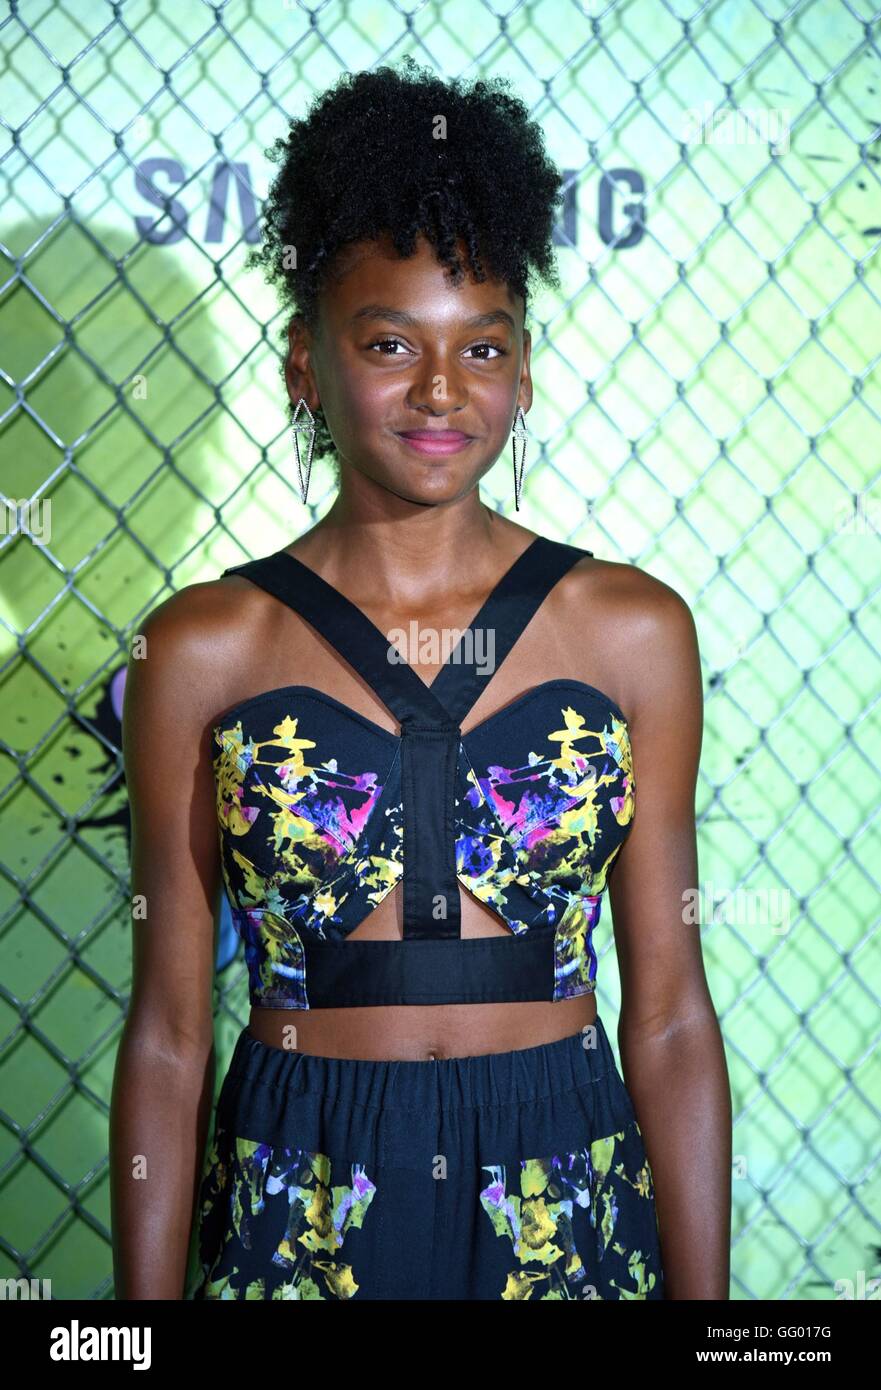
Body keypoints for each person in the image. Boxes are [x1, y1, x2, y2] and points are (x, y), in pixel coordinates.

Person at [110, 58, 731, 1301]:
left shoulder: (632, 630)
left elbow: (666, 1015)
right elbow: (173, 1036)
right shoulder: (200, 647)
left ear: (524, 368)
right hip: (303, 1178)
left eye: (482, 346)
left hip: (562, 1167)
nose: (441, 391)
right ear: (305, 364)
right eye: (389, 343)